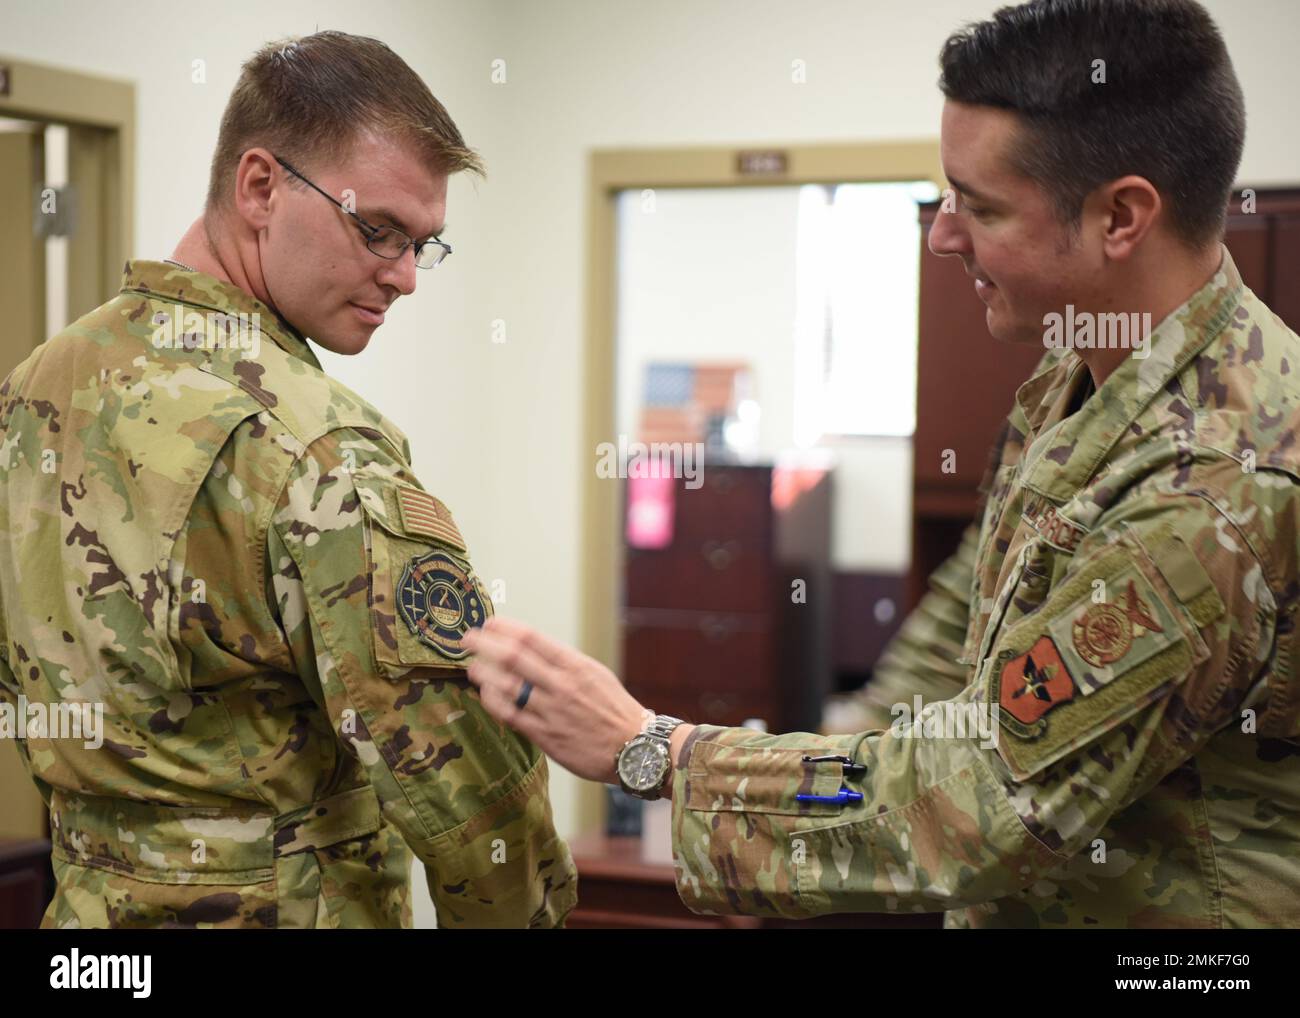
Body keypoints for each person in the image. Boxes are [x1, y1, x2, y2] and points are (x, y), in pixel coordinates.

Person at [463, 0, 1300, 928]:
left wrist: (660, 753)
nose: (943, 235)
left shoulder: (1212, 487)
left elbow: (982, 799)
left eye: (980, 207)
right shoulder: (1084, 366)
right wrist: (828, 775)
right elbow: (970, 614)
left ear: (1121, 217)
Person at [0, 31, 576, 929]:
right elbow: (465, 790)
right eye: (378, 229)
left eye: (424, 245)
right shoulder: (320, 447)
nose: (405, 277)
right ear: (261, 187)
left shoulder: (34, 386)